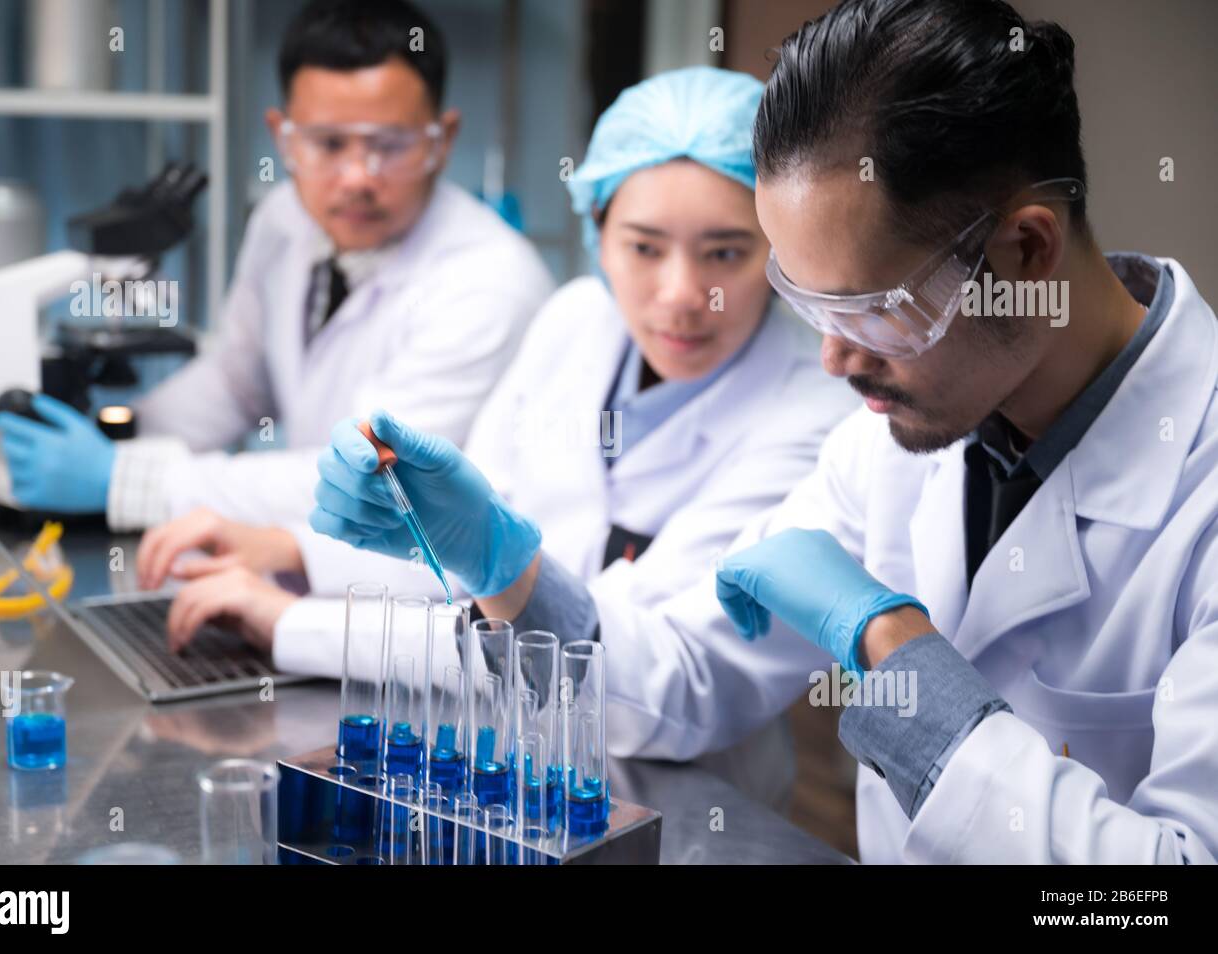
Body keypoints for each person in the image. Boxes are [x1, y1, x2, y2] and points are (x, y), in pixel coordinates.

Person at [309, 0, 1218, 863]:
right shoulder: (890, 439)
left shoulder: (1199, 484)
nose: (831, 360)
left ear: (1025, 253)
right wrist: (508, 571)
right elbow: (685, 684)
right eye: (804, 301)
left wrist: (900, 656)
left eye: (867, 311)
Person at [135, 68, 855, 710]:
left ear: (781, 249)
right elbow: (465, 553)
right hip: (493, 745)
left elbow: (653, 675)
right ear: (597, 235)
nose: (680, 295)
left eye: (725, 252)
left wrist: (296, 623)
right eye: (642, 247)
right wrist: (293, 552)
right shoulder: (577, 321)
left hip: (676, 798)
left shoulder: (814, 414)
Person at [0, 0, 552, 530]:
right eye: (328, 144)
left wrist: (123, 479)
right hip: (302, 558)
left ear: (443, 140)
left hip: (420, 593)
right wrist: (124, 432)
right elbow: (239, 382)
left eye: (389, 144)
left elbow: (369, 475)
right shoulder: (286, 219)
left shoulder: (491, 282)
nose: (357, 176)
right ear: (282, 137)